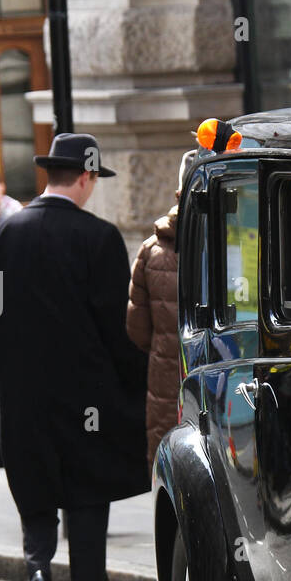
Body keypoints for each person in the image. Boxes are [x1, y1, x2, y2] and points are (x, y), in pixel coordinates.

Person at [0, 133, 148, 581]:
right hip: (87, 399)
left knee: (35, 495)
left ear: (51, 175)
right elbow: (120, 332)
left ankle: (37, 575)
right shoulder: (100, 238)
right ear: (88, 177)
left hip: (24, 396)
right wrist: (133, 386)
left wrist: (6, 380)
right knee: (87, 500)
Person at [126, 188, 182, 467]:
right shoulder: (232, 240)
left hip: (165, 371)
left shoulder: (151, 250)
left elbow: (136, 328)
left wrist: (165, 345)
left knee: (169, 461)